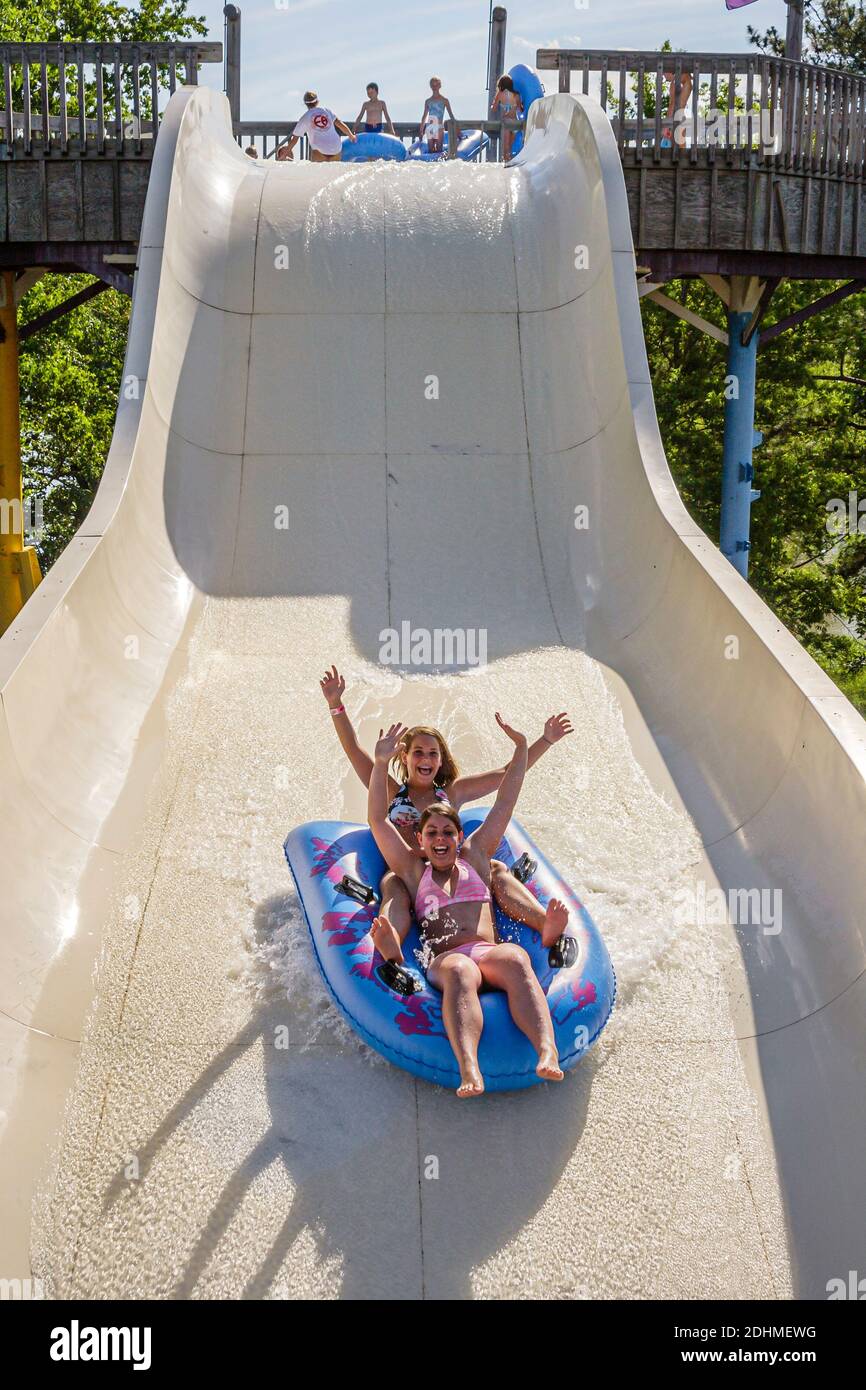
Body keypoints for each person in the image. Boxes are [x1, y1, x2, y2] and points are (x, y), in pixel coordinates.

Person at [319, 666, 572, 966]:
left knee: (497, 870)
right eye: (418, 752)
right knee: (393, 887)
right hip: (407, 870)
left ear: (441, 761)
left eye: (432, 753)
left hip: (453, 872)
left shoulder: (453, 792)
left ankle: (545, 924)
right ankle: (390, 943)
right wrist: (335, 703)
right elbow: (354, 751)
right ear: (404, 757)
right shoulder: (390, 790)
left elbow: (507, 776)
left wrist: (545, 740)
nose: (425, 759)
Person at [368, 720, 565, 1097]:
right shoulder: (412, 870)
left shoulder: (475, 857)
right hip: (446, 958)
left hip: (487, 951)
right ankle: (470, 1069)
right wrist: (380, 764)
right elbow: (378, 820)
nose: (440, 839)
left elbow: (506, 800)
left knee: (517, 958)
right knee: (459, 971)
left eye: (447, 832)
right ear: (421, 842)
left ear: (459, 836)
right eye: (432, 834)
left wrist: (524, 746)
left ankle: (546, 1050)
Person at [279, 91, 356, 162]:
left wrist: (285, 154)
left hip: (319, 149)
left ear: (305, 104)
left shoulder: (305, 117)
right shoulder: (326, 111)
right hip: (335, 148)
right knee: (333, 175)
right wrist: (351, 136)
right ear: (317, 101)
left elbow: (294, 140)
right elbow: (340, 124)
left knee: (318, 175)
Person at [420, 76, 457, 155]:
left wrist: (457, 128)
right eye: (433, 85)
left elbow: (451, 115)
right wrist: (421, 129)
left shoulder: (444, 100)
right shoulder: (428, 101)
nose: (434, 87)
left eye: (436, 85)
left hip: (439, 126)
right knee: (430, 150)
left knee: (439, 150)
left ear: (440, 86)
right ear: (430, 87)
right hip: (430, 126)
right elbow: (424, 116)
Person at [490, 74, 523, 162]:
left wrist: (492, 105)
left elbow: (494, 109)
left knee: (506, 148)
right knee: (510, 147)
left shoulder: (500, 94)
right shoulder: (516, 95)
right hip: (515, 123)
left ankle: (505, 166)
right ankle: (510, 164)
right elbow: (520, 109)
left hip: (507, 122)